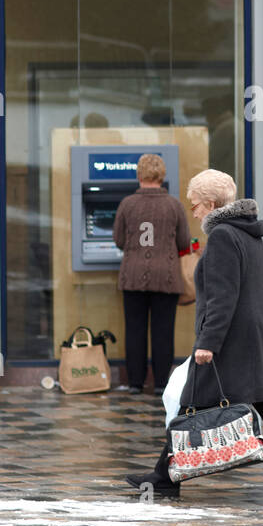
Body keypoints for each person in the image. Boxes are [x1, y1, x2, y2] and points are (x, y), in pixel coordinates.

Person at [125, 170, 263, 498]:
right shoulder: (249, 232)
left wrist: (208, 342)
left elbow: (222, 295)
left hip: (231, 339)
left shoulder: (221, 236)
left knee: (194, 399)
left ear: (212, 203)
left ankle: (164, 478)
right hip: (257, 332)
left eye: (196, 205)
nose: (193, 211)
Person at [111, 153, 190, 394]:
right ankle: (161, 384)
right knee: (163, 331)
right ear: (161, 175)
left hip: (133, 275)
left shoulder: (127, 204)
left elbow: (119, 239)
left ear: (139, 175)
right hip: (166, 276)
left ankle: (135, 383)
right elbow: (184, 241)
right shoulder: (174, 205)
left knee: (134, 330)